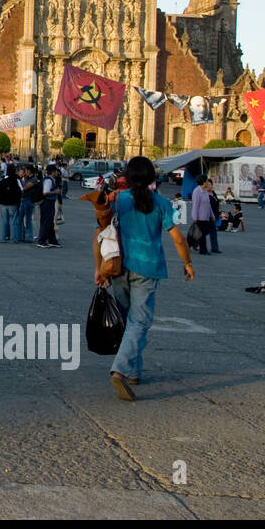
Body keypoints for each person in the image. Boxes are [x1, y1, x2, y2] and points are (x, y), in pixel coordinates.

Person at [99, 156, 194, 402]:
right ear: (152, 177)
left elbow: (101, 233)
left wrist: (99, 268)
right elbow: (178, 239)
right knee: (139, 322)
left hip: (119, 267)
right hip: (147, 268)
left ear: (128, 177)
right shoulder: (162, 203)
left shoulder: (117, 200)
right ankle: (120, 369)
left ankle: (134, 371)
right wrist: (187, 263)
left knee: (129, 320)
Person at [36, 164, 63, 248]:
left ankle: (52, 240)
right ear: (52, 172)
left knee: (50, 222)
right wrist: (55, 192)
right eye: (55, 171)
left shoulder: (51, 180)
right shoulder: (48, 180)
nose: (57, 172)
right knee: (46, 222)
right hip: (47, 202)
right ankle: (41, 240)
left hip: (49, 202)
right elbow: (45, 192)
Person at [190, 173, 216, 255]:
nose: (208, 183)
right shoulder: (197, 192)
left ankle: (191, 245)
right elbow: (195, 205)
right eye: (207, 181)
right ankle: (203, 250)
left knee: (202, 234)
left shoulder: (205, 191)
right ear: (203, 182)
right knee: (201, 235)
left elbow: (208, 205)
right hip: (199, 217)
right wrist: (194, 217)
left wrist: (212, 215)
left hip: (206, 217)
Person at [0, 165, 21, 242]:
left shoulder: (2, 180)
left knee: (4, 221)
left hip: (3, 203)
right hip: (13, 203)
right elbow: (21, 190)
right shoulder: (16, 180)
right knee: (13, 221)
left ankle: (2, 237)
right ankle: (14, 238)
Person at [18, 166, 40, 243]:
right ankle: (21, 235)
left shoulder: (33, 179)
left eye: (26, 170)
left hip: (29, 200)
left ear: (30, 171)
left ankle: (29, 237)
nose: (25, 172)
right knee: (20, 218)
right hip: (24, 199)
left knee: (28, 220)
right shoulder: (26, 178)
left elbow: (24, 188)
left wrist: (22, 185)